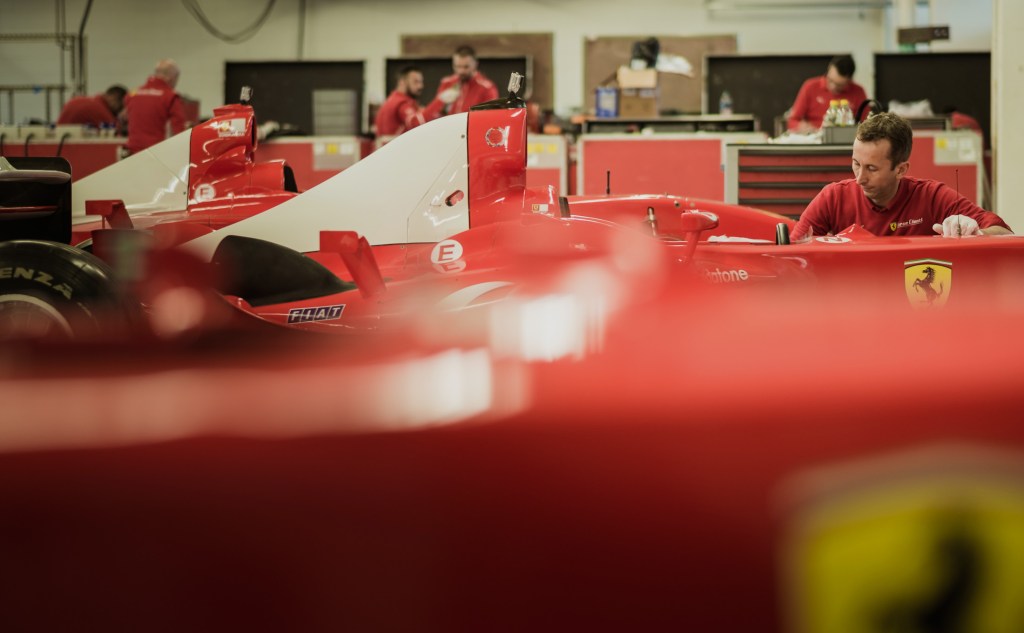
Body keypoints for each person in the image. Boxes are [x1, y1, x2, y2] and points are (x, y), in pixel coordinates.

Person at [792, 112, 1012, 240]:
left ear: (900, 170)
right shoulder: (833, 198)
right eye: (855, 163)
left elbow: (1004, 234)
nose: (859, 178)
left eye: (871, 168)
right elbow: (792, 255)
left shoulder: (932, 197)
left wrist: (977, 233)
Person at [787, 55, 868, 134]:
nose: (833, 87)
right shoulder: (810, 87)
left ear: (849, 80)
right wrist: (800, 126)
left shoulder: (858, 91)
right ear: (829, 69)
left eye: (839, 85)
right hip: (815, 138)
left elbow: (866, 124)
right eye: (830, 80)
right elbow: (792, 121)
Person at [124, 59, 188, 154]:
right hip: (157, 153)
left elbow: (124, 119)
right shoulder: (170, 96)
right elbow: (179, 130)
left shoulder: (132, 94)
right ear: (171, 77)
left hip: (132, 152)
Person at [375, 66, 446, 137]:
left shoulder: (392, 99)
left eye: (421, 82)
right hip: (397, 147)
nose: (420, 86)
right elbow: (416, 123)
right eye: (415, 82)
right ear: (402, 82)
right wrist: (440, 100)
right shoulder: (400, 102)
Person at [433, 46, 499, 116]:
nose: (461, 71)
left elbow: (492, 115)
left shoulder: (487, 88)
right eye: (458, 66)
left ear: (475, 64)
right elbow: (435, 113)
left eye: (466, 67)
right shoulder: (446, 83)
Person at [56, 85, 127, 128]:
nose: (119, 110)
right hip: (68, 145)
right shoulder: (99, 107)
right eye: (121, 106)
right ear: (114, 97)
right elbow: (116, 131)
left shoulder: (91, 101)